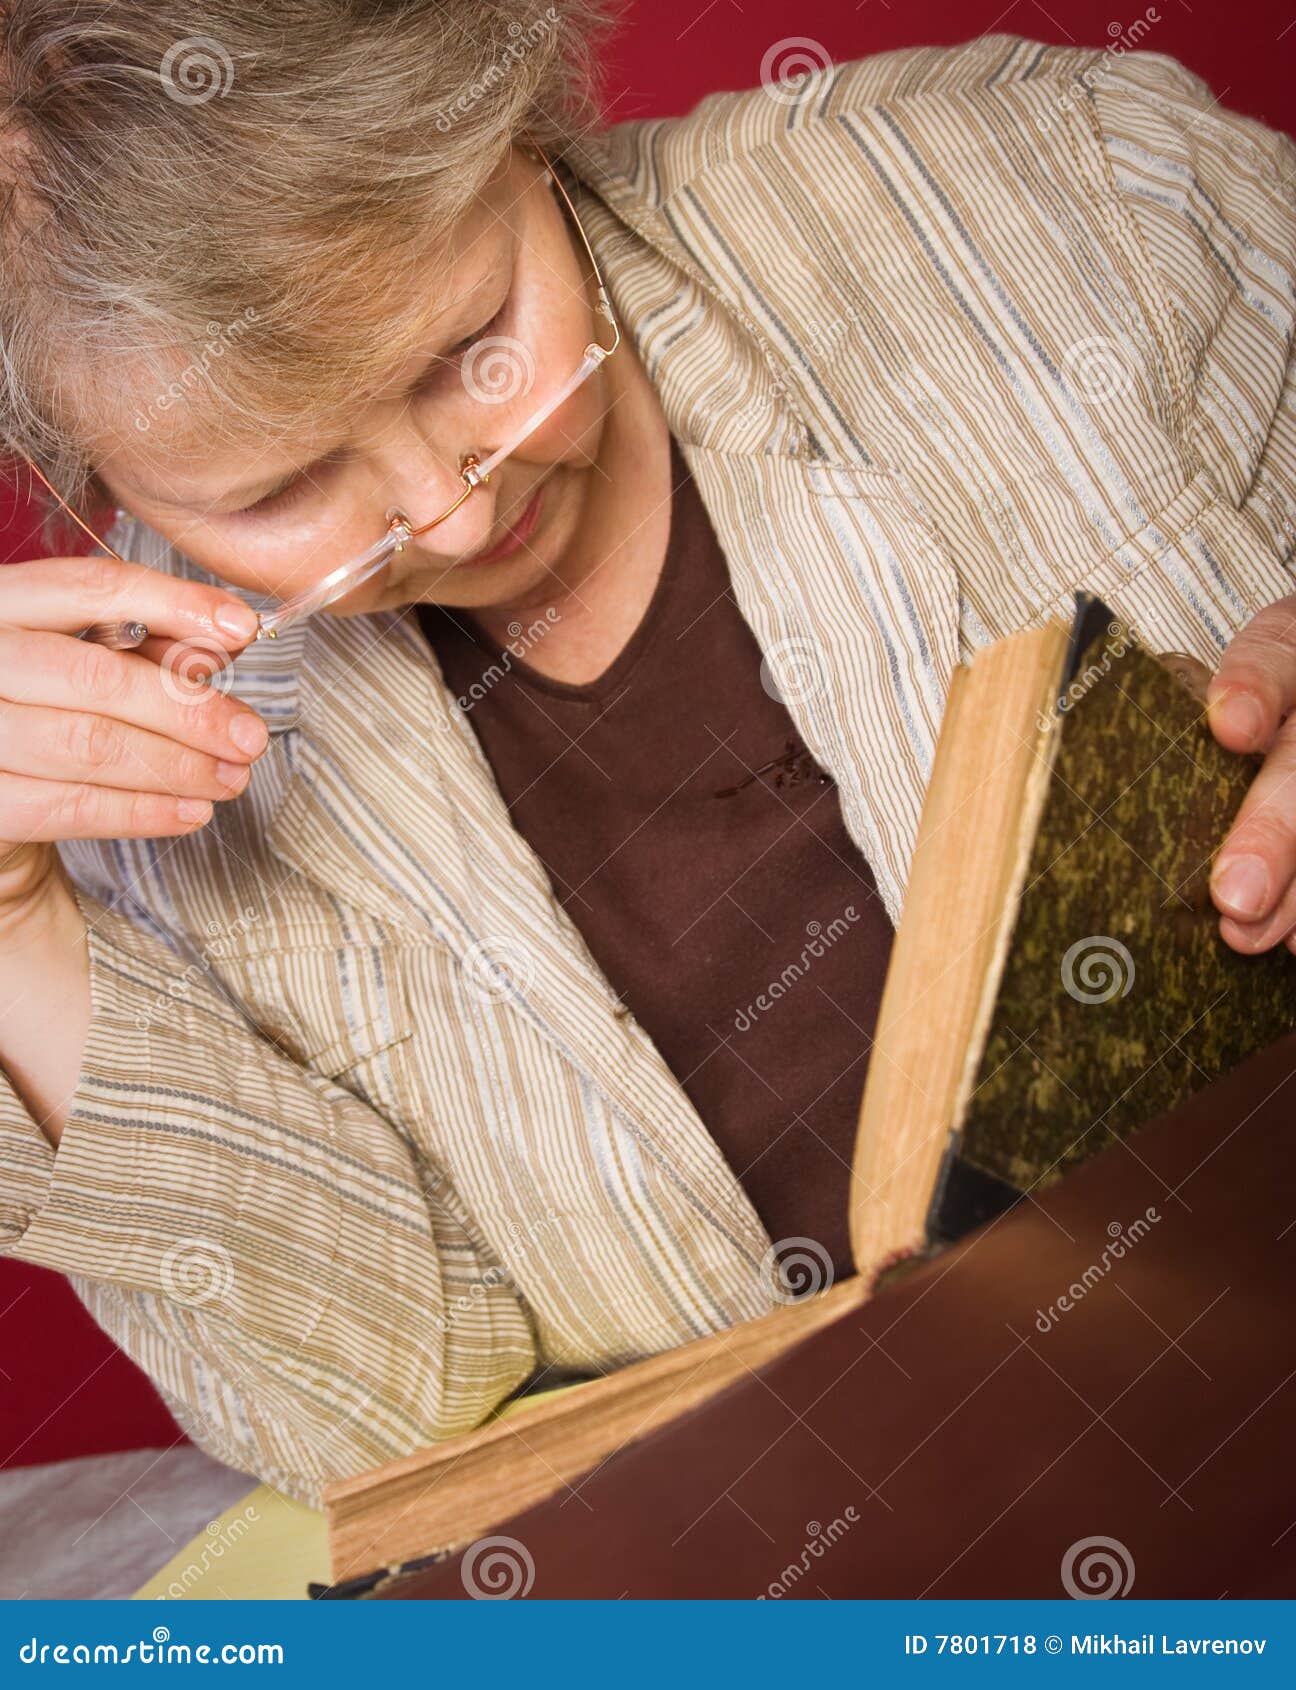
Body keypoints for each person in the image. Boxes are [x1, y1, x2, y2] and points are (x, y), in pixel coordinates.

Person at [1, 5, 1294, 1509]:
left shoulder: (1085, 194)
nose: (457, 514)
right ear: (89, 482)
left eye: (471, 349)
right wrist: (19, 934)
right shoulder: (120, 760)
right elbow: (395, 1417)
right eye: (283, 485)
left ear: (523, 123)